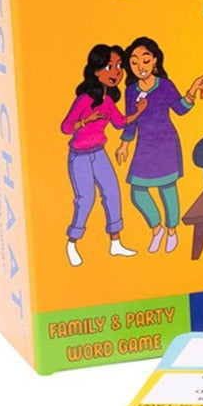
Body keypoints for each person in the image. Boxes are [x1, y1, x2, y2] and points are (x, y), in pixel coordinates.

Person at [115, 36, 203, 253]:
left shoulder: (164, 85)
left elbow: (180, 109)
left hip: (166, 143)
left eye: (146, 60)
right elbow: (130, 121)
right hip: (144, 146)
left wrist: (193, 89)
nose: (141, 66)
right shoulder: (131, 90)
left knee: (167, 189)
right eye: (134, 62)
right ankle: (156, 228)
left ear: (155, 60)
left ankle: (172, 231)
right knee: (137, 192)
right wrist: (124, 145)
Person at [61, 44, 147, 266]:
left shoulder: (108, 101)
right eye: (110, 67)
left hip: (99, 153)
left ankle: (115, 243)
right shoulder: (84, 99)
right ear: (97, 71)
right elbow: (66, 127)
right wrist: (85, 121)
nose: (116, 72)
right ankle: (72, 243)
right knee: (86, 199)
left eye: (119, 66)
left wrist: (139, 110)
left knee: (112, 193)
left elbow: (119, 122)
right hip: (79, 157)